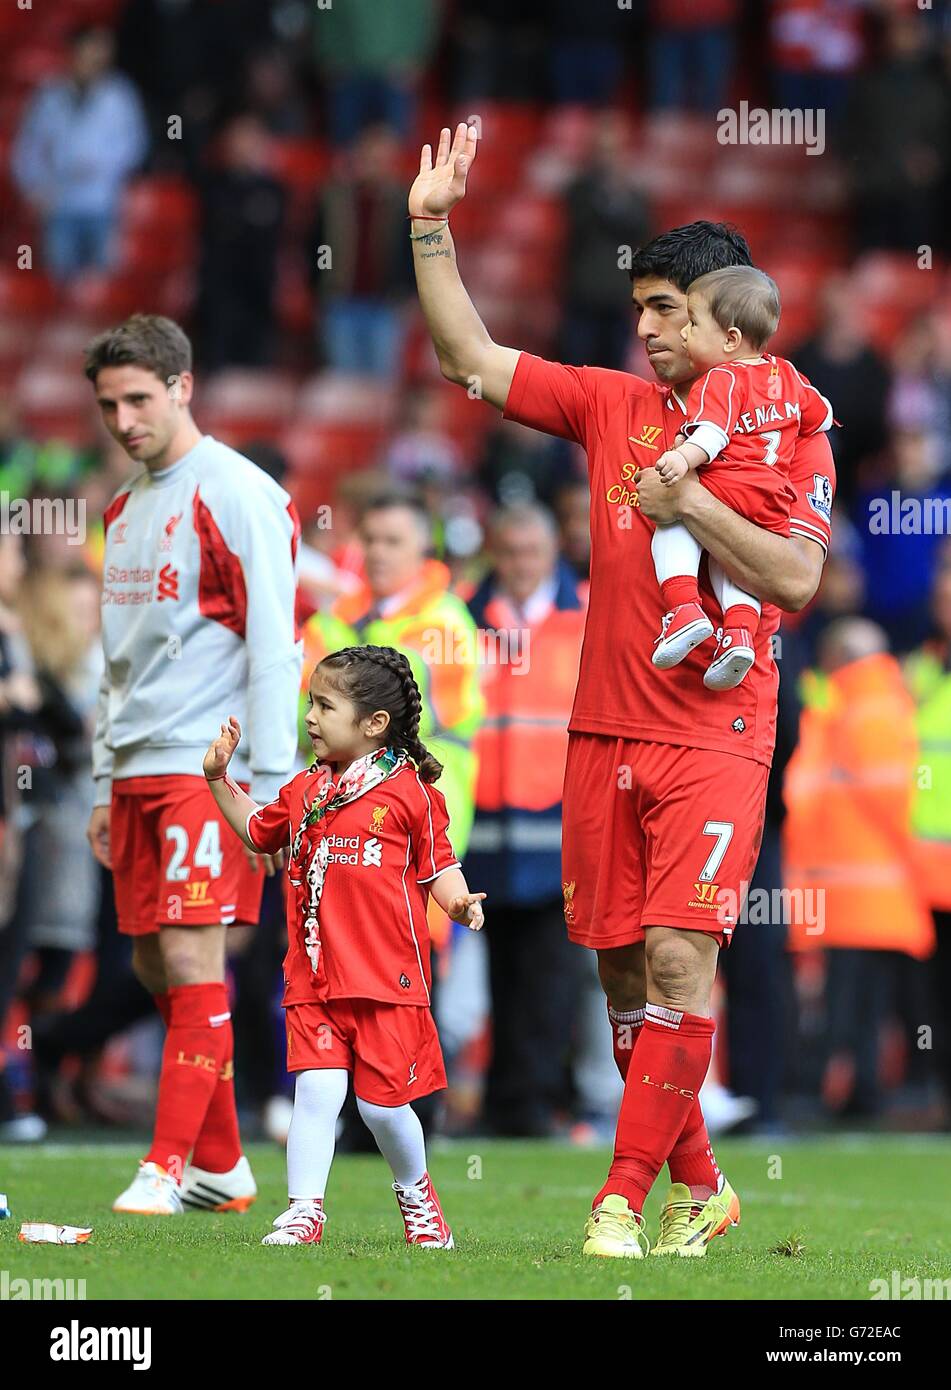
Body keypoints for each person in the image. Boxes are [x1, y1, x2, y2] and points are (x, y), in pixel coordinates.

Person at [408, 123, 836, 1258]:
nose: (643, 329)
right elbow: (470, 360)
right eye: (640, 308)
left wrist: (680, 501)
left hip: (717, 732)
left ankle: (619, 1197)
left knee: (684, 960)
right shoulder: (606, 403)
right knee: (622, 976)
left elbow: (795, 574)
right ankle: (703, 1187)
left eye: (664, 309)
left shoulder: (789, 423)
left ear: (722, 319)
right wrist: (429, 226)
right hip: (599, 734)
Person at [84, 314, 301, 1215]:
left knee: (192, 952)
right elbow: (114, 659)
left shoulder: (238, 492)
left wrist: (274, 783)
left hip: (205, 767)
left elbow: (273, 643)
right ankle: (222, 1162)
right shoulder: (125, 508)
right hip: (135, 765)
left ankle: (164, 1167)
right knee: (153, 969)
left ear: (182, 387)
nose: (124, 419)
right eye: (108, 405)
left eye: (140, 398)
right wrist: (103, 778)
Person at [203, 646, 485, 1247]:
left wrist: (461, 905)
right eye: (310, 702)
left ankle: (419, 1198)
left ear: (373, 724)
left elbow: (440, 868)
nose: (310, 717)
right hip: (313, 975)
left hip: (386, 980)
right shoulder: (305, 789)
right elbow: (258, 832)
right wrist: (216, 779)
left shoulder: (412, 795)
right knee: (316, 1094)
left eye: (325, 705)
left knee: (382, 1109)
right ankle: (304, 1212)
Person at [651, 266, 833, 690]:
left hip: (726, 488)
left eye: (693, 324)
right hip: (771, 502)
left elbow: (711, 434)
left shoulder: (721, 378)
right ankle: (737, 634)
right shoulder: (788, 374)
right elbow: (820, 413)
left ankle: (684, 611)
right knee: (735, 564)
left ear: (731, 339)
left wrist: (682, 460)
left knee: (672, 529)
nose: (683, 335)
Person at [465, 503, 587, 1136]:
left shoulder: (588, 615)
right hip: (479, 826)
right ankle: (499, 1100)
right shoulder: (463, 615)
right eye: (508, 553)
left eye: (531, 553)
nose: (519, 566)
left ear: (551, 554)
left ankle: (535, 1102)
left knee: (547, 978)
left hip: (556, 827)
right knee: (491, 978)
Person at [11, 24, 148, 281]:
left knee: (103, 288)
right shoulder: (48, 95)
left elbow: (135, 146)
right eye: (88, 52)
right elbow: (28, 147)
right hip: (59, 203)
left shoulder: (120, 96)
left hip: (103, 204)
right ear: (73, 53)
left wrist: (99, 165)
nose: (94, 59)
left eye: (100, 53)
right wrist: (32, 187)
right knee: (59, 286)